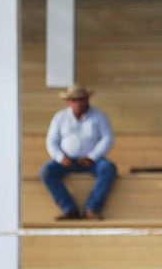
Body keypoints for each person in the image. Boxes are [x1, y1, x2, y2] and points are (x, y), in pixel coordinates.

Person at [41, 84, 117, 221]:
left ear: (87, 99)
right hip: (66, 161)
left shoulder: (99, 116)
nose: (78, 103)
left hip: (92, 161)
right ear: (68, 102)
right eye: (74, 100)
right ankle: (69, 209)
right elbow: (51, 141)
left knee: (107, 169)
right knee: (47, 171)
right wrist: (61, 158)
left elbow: (108, 138)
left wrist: (92, 157)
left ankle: (92, 209)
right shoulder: (59, 117)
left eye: (81, 99)